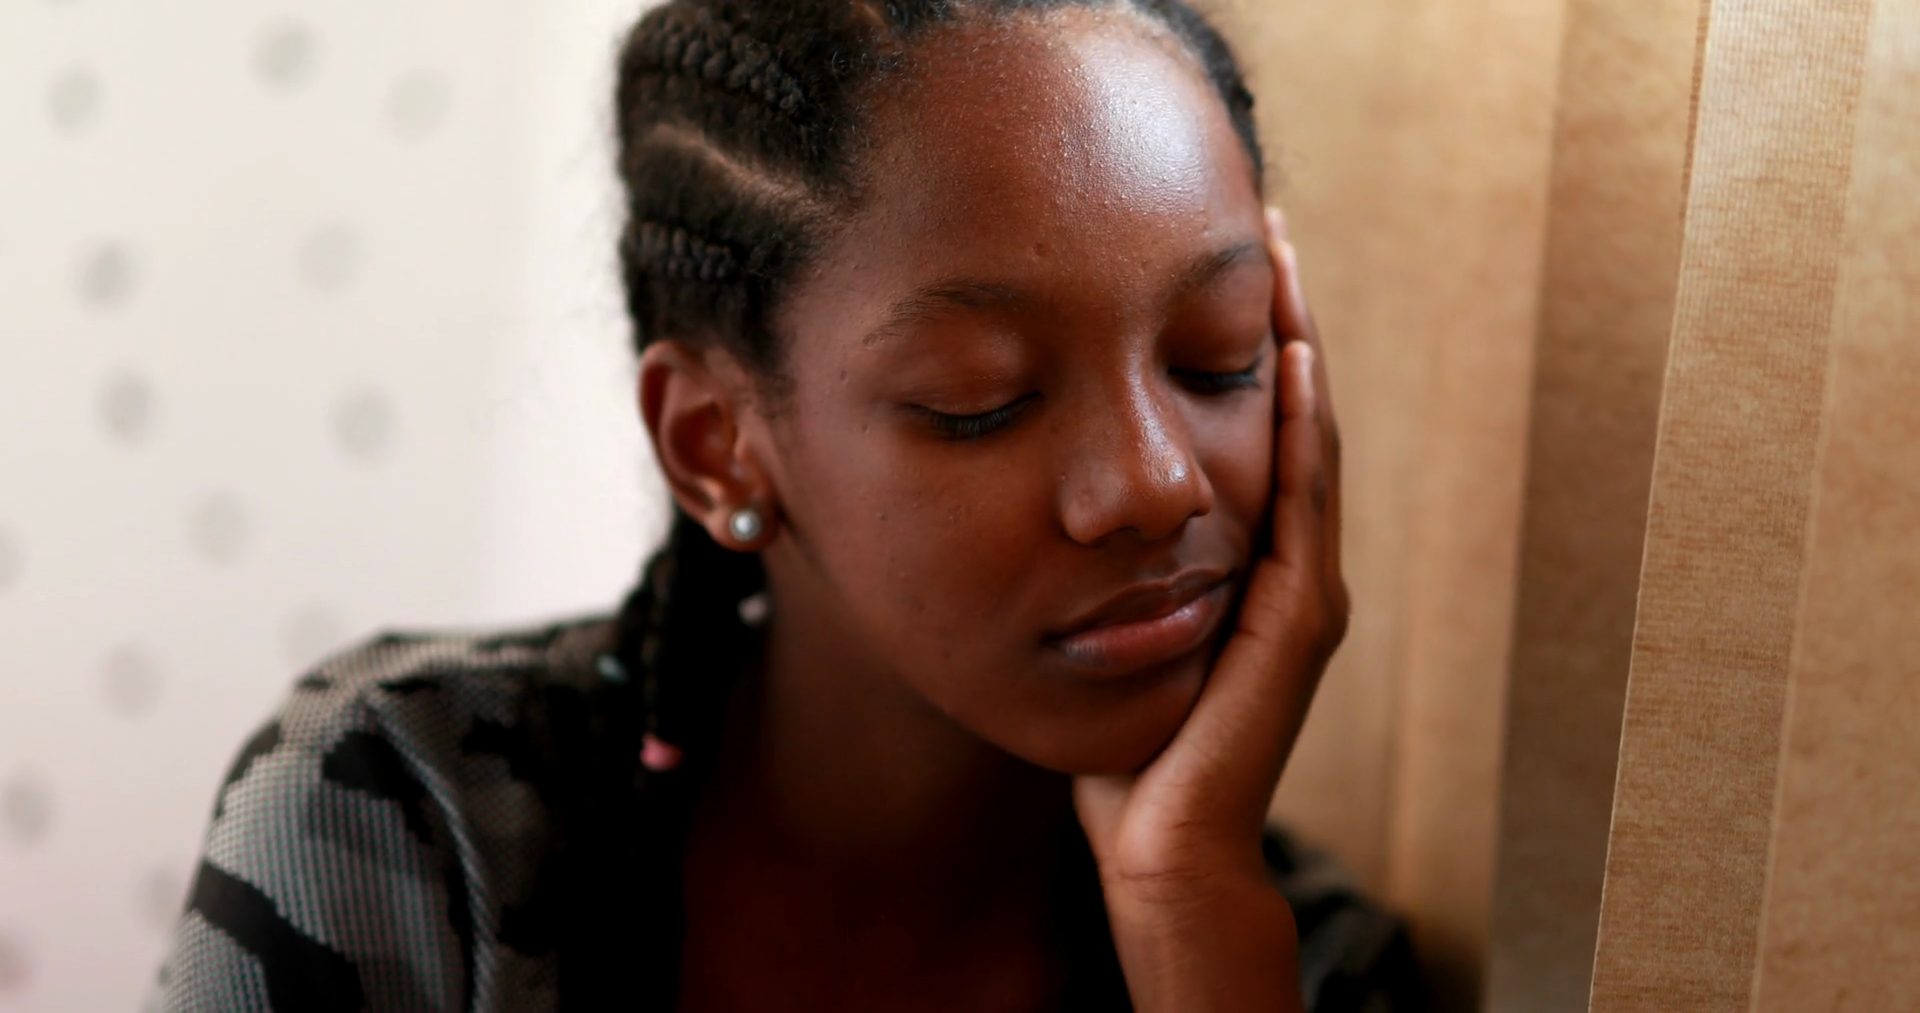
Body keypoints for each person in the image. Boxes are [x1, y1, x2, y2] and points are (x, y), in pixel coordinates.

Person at [154, 0, 1424, 1009]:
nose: (1157, 480)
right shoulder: (407, 823)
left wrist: (1190, 913)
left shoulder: (1290, 964)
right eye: (981, 400)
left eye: (1218, 355)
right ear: (717, 446)